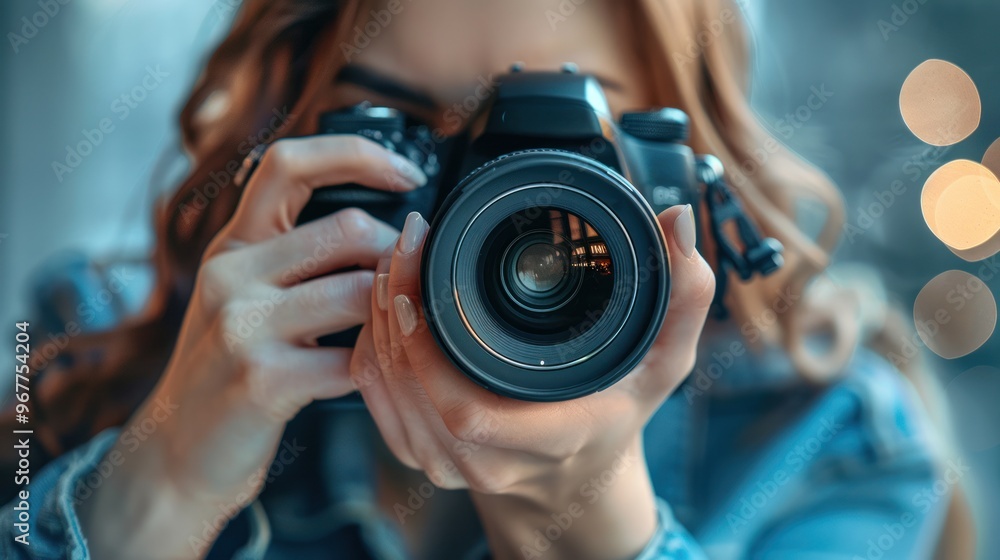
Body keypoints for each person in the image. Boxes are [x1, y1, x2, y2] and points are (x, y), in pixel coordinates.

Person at [0, 0, 972, 558]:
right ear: (286, 136)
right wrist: (157, 484)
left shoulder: (824, 441)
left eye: (572, 139)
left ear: (679, 169)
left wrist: (593, 525)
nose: (489, 199)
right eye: (400, 127)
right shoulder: (88, 341)